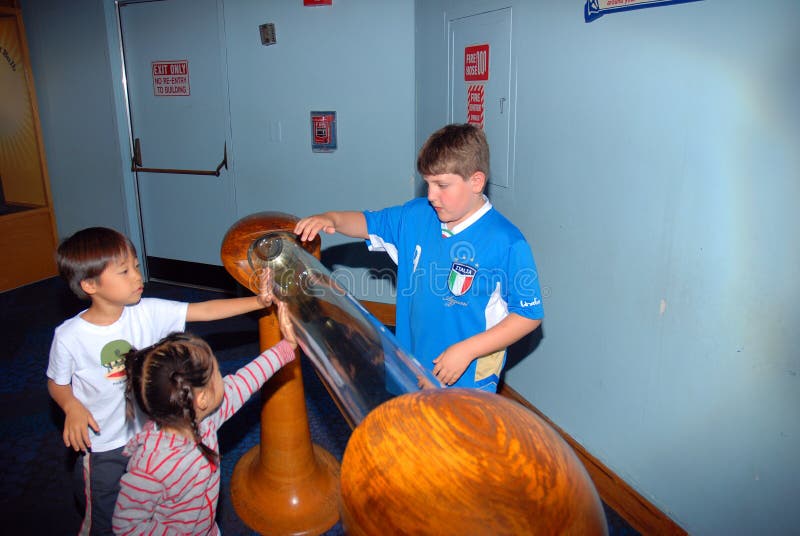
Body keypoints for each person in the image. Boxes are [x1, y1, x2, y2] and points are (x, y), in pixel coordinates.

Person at [46, 226, 270, 535]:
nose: (137, 276)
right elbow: (56, 383)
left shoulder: (146, 312)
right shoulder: (70, 336)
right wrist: (71, 406)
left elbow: (203, 311)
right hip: (102, 447)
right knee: (106, 517)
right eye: (124, 271)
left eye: (136, 266)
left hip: (150, 436)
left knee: (154, 501)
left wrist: (259, 302)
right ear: (89, 284)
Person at [294, 123, 544, 393]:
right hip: (413, 365)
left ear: (476, 181)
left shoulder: (507, 243)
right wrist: (332, 218)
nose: (431, 196)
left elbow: (528, 315)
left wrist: (467, 350)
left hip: (465, 377)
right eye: (428, 183)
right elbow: (369, 222)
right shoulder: (416, 216)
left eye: (441, 185)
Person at [111, 303, 296, 535]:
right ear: (201, 398)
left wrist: (285, 348)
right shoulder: (151, 466)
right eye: (218, 374)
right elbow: (125, 525)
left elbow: (244, 381)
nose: (225, 377)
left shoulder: (205, 418)